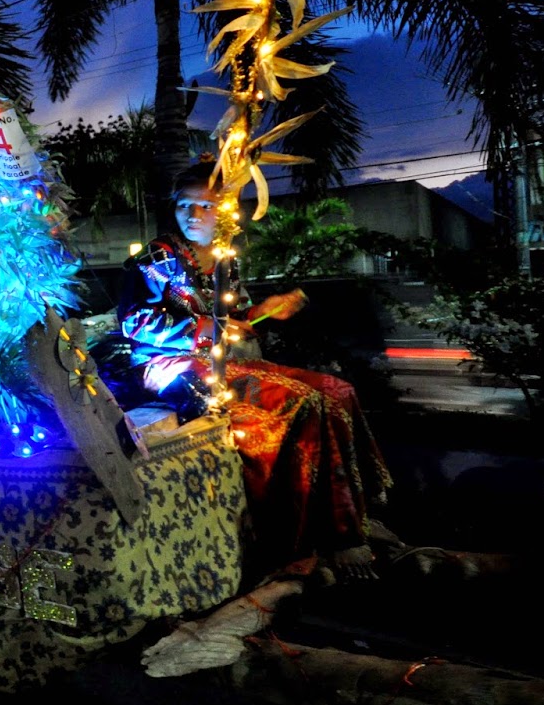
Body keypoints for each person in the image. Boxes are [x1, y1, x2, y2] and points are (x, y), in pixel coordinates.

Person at [114, 161, 392, 583]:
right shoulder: (158, 257)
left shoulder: (227, 259)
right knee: (303, 403)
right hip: (166, 368)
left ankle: (360, 510)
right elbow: (134, 323)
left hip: (224, 361)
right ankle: (330, 536)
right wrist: (201, 329)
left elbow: (235, 316)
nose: (192, 215)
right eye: (185, 205)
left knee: (337, 389)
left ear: (226, 211)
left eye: (205, 206)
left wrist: (261, 311)